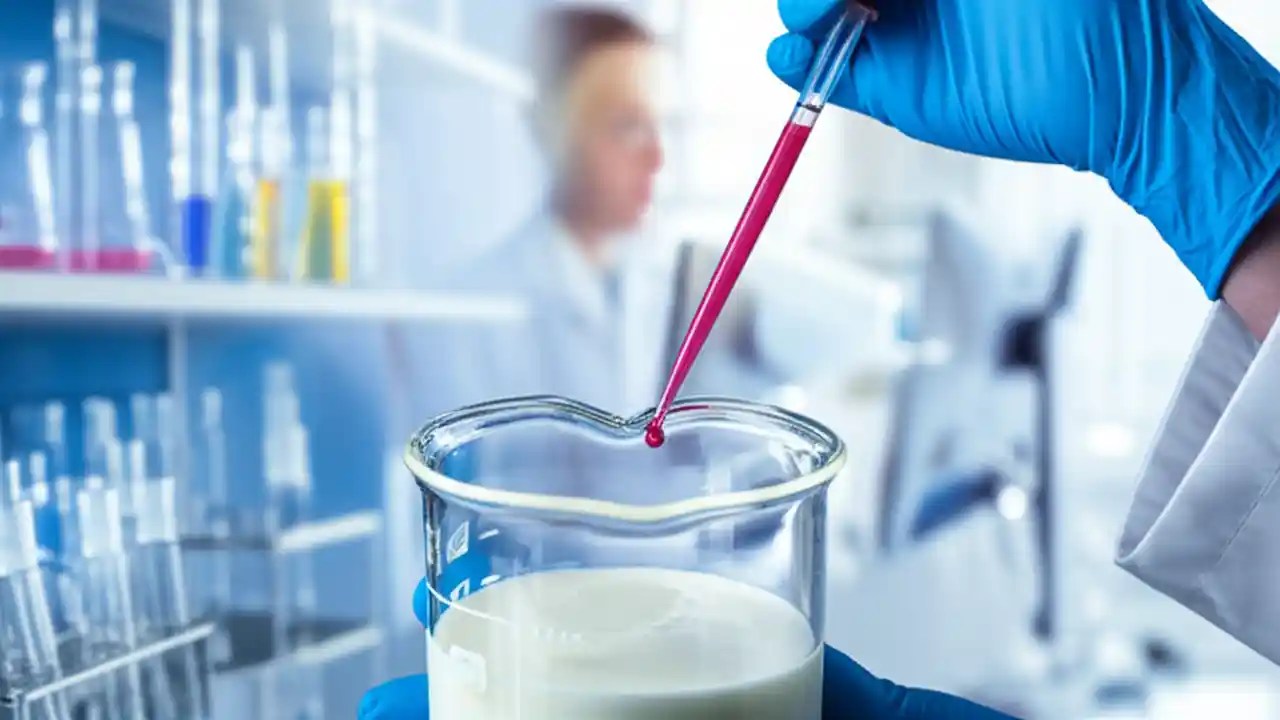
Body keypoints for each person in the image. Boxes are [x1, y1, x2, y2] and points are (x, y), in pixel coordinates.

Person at [363, 0, 1280, 715]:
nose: (653, 156)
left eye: (659, 125)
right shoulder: (479, 299)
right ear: (555, 133)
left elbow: (862, 333)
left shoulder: (671, 275)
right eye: (621, 125)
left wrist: (1191, 129)